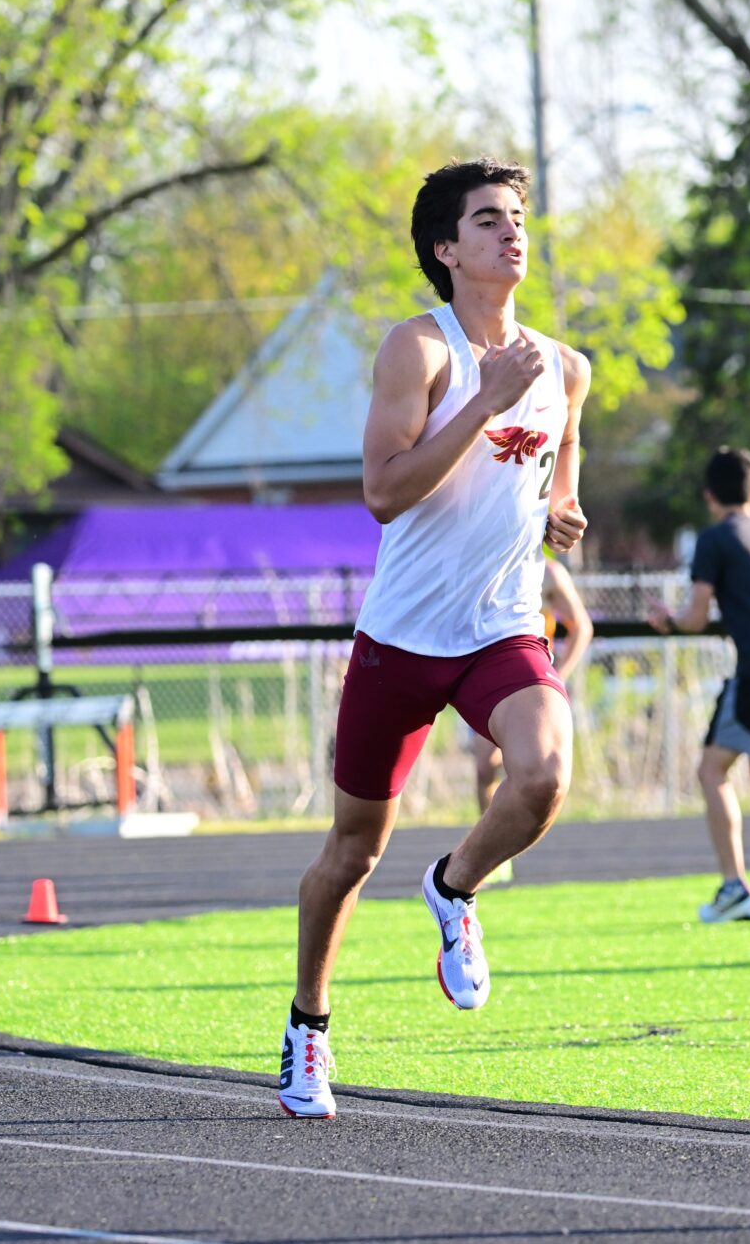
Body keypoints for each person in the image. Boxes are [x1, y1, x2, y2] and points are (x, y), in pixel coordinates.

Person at [280, 158, 591, 1119]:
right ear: (446, 250)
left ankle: (455, 887)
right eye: (489, 220)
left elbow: (562, 470)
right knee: (350, 852)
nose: (512, 233)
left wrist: (565, 509)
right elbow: (384, 492)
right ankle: (308, 1029)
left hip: (499, 627)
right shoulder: (421, 351)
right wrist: (484, 401)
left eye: (518, 218)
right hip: (402, 640)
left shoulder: (566, 366)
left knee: (543, 774)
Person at [648, 447, 750, 923]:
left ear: (708, 496)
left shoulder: (715, 539)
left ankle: (733, 887)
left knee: (712, 772)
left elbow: (696, 616)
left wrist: (670, 619)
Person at [468, 555, 592, 885]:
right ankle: (490, 853)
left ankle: (506, 846)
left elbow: (582, 626)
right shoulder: (491, 562)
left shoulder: (550, 573)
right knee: (484, 767)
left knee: (535, 771)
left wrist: (559, 673)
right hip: (489, 679)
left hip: (531, 684)